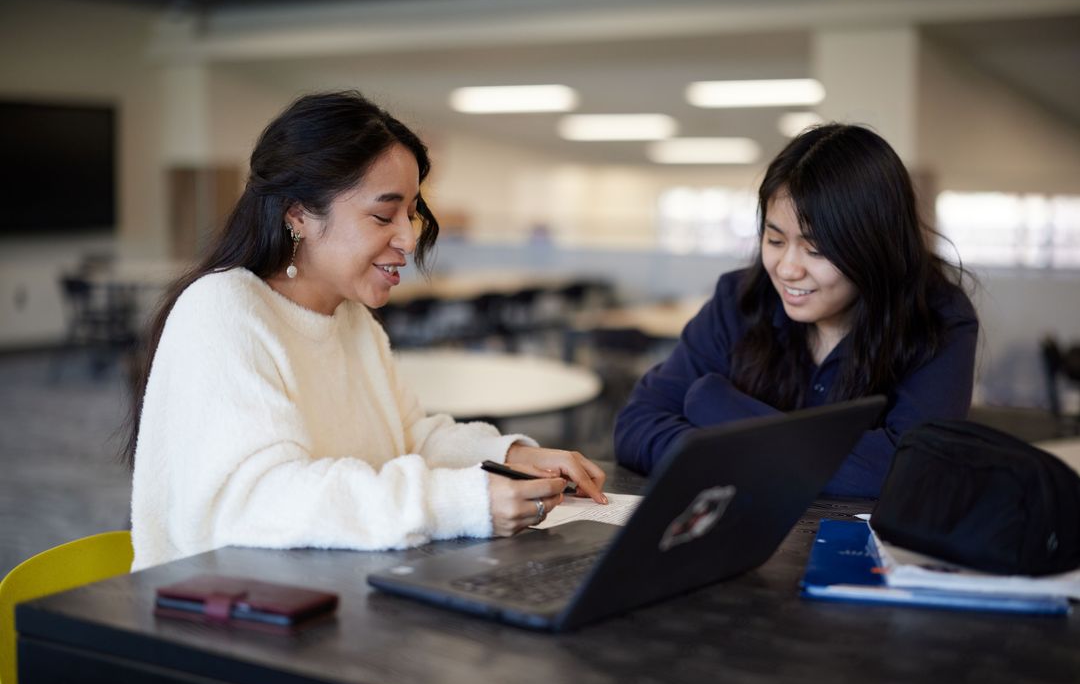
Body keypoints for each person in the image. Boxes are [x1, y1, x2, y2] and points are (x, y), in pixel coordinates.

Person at [126, 90, 606, 570]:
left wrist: (513, 455)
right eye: (383, 214)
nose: (408, 237)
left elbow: (408, 439)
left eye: (411, 212)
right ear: (298, 215)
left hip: (329, 587)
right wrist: (457, 503)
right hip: (223, 611)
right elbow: (259, 500)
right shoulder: (223, 309)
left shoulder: (351, 318)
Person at [614, 123, 978, 498]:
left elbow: (912, 473)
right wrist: (778, 454)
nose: (787, 268)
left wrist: (718, 408)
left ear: (874, 247)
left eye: (816, 249)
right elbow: (637, 425)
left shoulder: (938, 319)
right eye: (774, 239)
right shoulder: (738, 299)